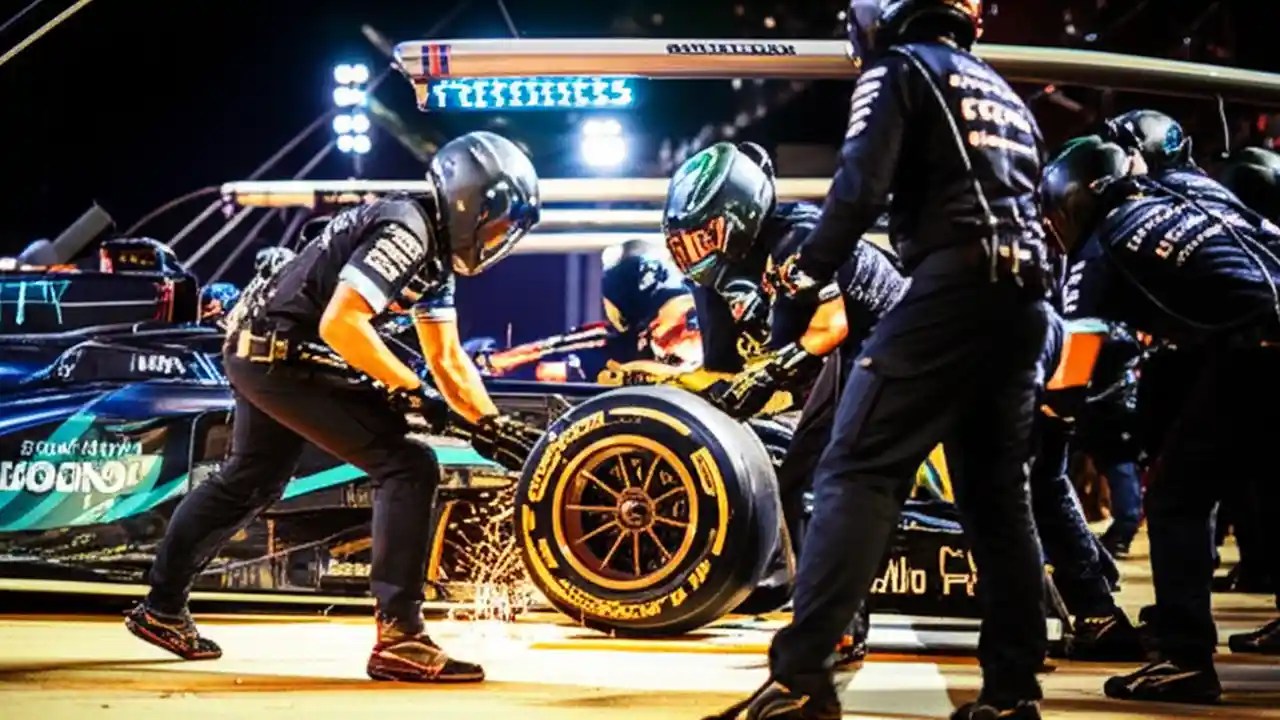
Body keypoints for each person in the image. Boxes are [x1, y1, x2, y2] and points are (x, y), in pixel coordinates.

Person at [707, 2, 1054, 718]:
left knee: (853, 467)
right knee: (998, 502)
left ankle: (803, 679)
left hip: (953, 285)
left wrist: (809, 267)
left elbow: (860, 183)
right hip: (1025, 303)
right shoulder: (1004, 92)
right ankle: (1013, 693)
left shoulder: (900, 69)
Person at [124, 131, 545, 683]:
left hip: (264, 352)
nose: (497, 241)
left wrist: (488, 425)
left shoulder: (431, 252)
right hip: (279, 358)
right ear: (470, 201)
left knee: (251, 477)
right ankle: (402, 638)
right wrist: (412, 393)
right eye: (496, 224)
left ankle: (160, 609)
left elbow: (446, 358)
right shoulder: (406, 232)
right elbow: (341, 323)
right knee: (408, 464)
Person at [1040, 135, 1280, 701]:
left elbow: (1076, 365)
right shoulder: (1192, 200)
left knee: (1177, 497)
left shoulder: (1102, 245)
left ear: (1074, 200)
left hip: (1256, 348)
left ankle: (1184, 659)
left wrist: (1048, 420)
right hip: (1253, 339)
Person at [661, 140, 909, 668]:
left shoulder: (798, 234)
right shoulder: (708, 281)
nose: (693, 250)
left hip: (888, 341)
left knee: (821, 477)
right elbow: (723, 373)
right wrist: (668, 392)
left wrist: (770, 372)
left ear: (742, 212)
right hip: (837, 362)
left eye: (704, 234)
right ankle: (786, 588)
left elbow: (832, 326)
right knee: (788, 471)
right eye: (682, 242)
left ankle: (838, 622)